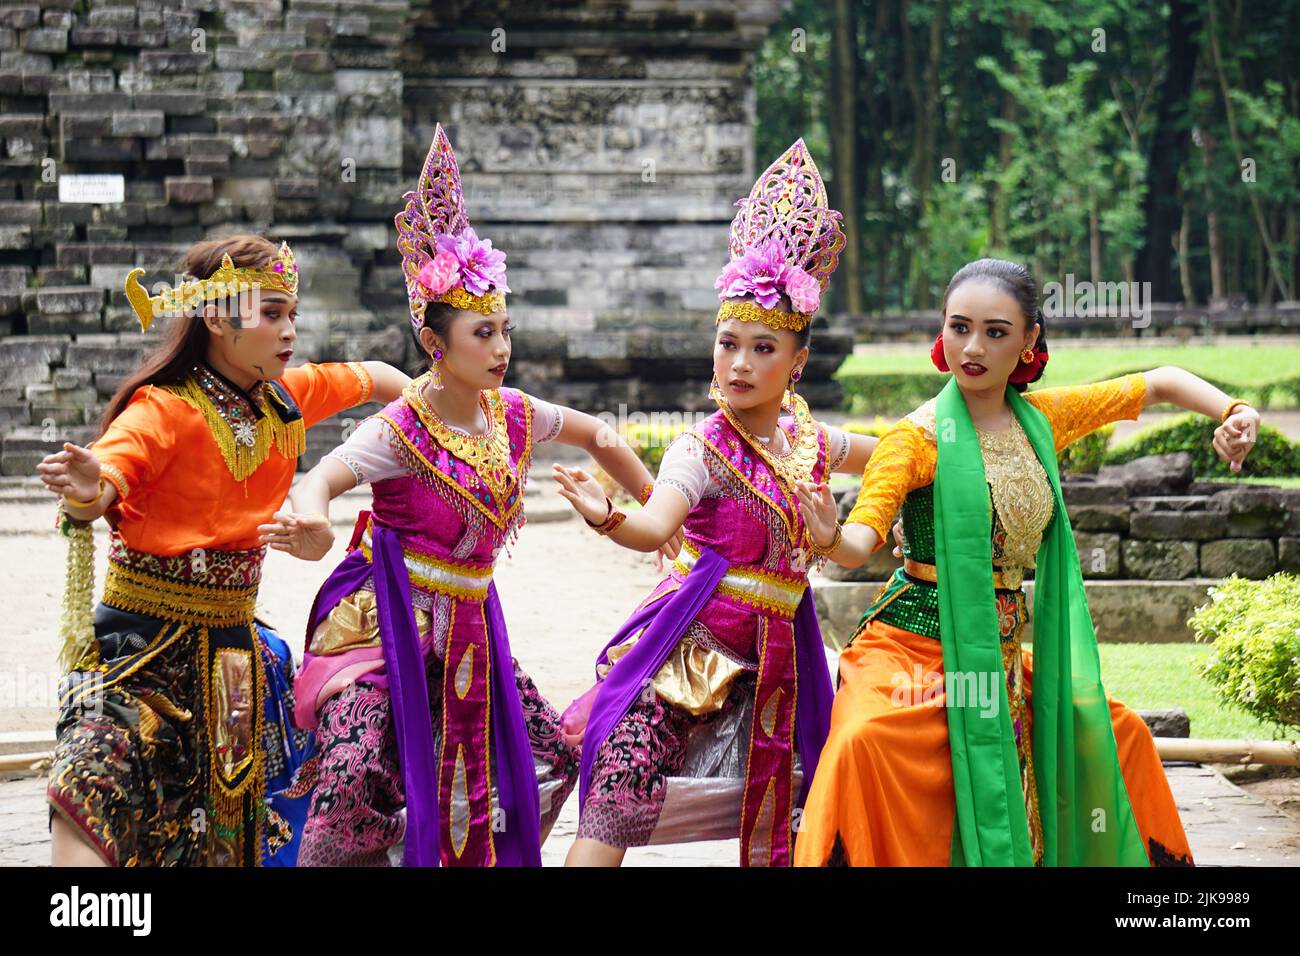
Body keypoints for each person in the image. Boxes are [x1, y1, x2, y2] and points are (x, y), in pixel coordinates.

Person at [262, 125, 665, 866]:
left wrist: (656, 513)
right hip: (385, 627)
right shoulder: (403, 425)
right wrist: (313, 520)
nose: (503, 348)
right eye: (485, 333)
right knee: (353, 776)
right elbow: (323, 473)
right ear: (437, 342)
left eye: (506, 330)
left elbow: (602, 436)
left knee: (550, 758)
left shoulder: (510, 411)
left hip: (473, 632)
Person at [793, 257, 1260, 866]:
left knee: (1120, 735)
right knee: (862, 743)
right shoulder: (918, 437)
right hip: (909, 647)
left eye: (995, 332)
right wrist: (829, 534)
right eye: (959, 328)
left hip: (1005, 654)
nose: (973, 348)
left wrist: (1234, 412)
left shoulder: (1042, 420)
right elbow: (861, 540)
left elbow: (1162, 380)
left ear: (1029, 340)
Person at [553, 140, 879, 866]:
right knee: (617, 785)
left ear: (798, 362)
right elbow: (655, 526)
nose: (739, 363)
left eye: (764, 349)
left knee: (810, 806)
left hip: (783, 661)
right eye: (728, 342)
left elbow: (899, 455)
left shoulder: (812, 442)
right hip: (691, 652)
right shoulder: (699, 447)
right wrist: (608, 515)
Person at [37, 234, 411, 866]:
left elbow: (377, 380)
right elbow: (107, 476)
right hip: (140, 654)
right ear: (216, 318)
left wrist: (447, 416)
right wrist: (86, 491)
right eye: (270, 314)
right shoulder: (164, 410)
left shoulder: (285, 397)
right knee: (89, 782)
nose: (288, 330)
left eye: (291, 313)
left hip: (234, 662)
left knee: (227, 829)